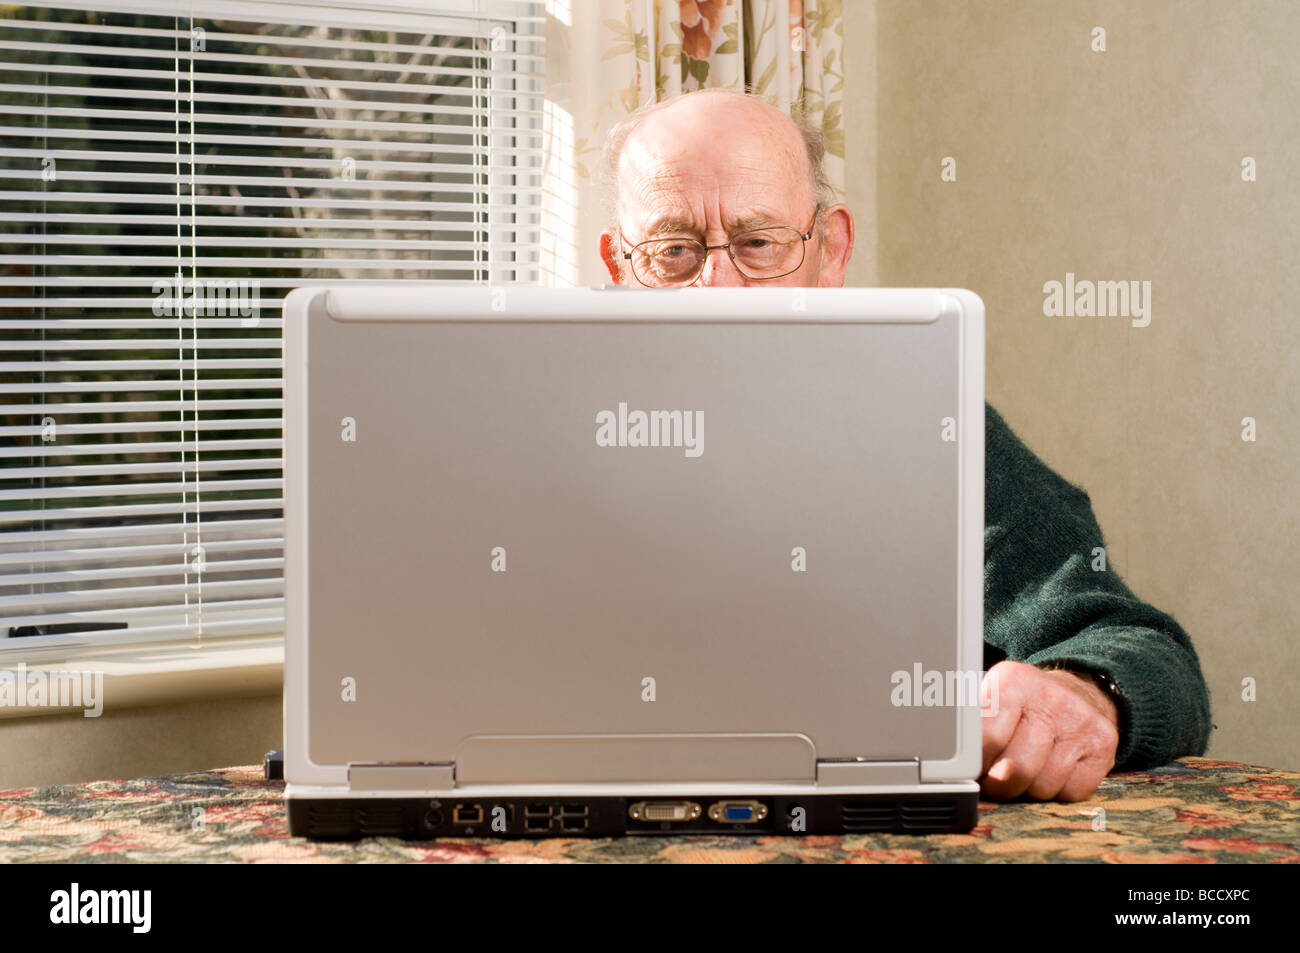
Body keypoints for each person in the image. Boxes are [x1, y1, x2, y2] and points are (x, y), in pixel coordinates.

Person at [597, 88, 1212, 802]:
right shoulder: (535, 439)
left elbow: (1148, 654)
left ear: (830, 252)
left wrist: (1083, 694)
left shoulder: (929, 430)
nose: (717, 290)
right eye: (672, 250)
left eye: (758, 243)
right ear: (618, 265)